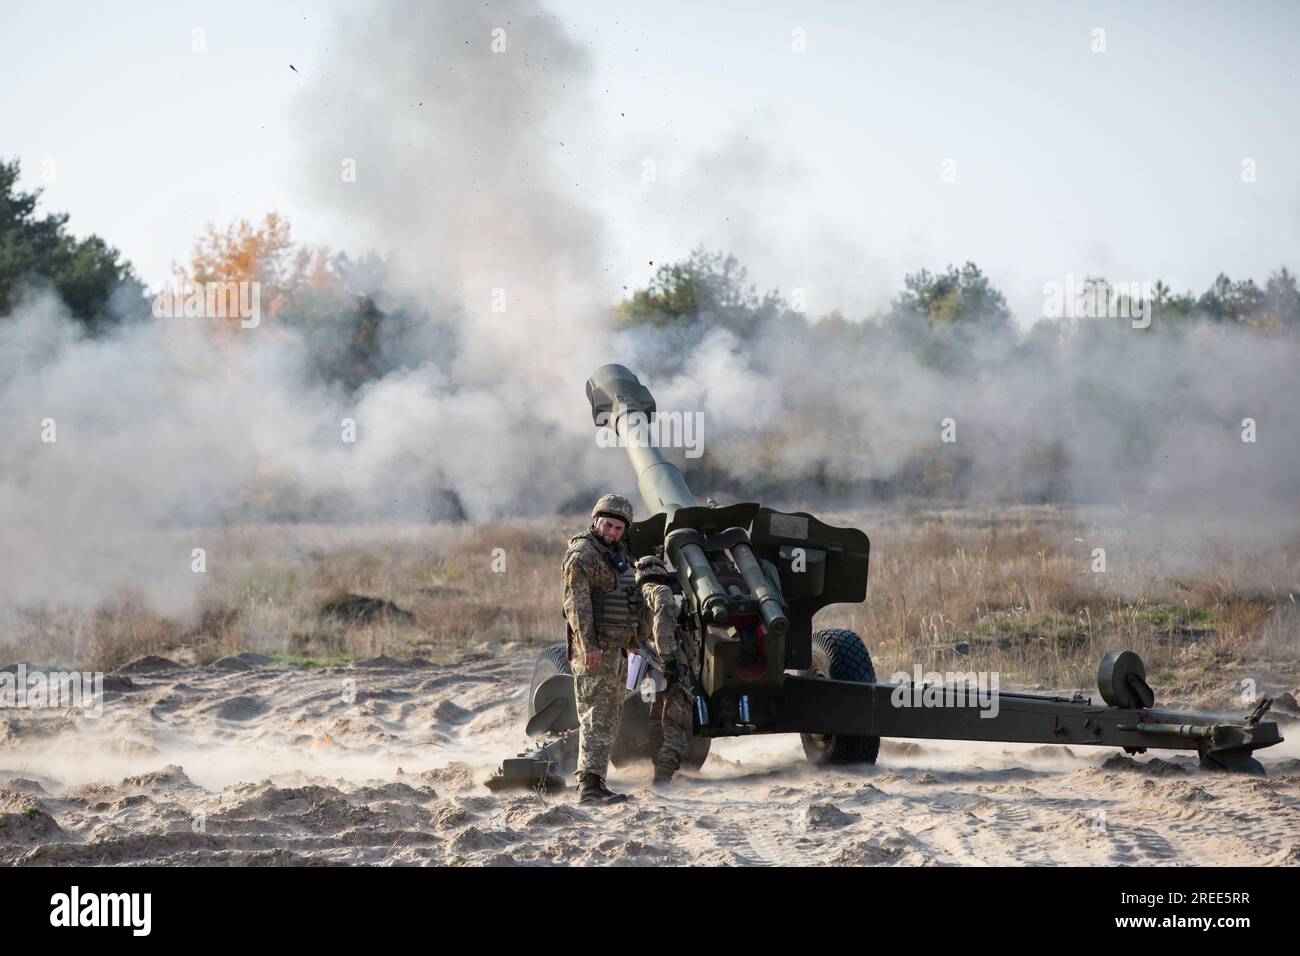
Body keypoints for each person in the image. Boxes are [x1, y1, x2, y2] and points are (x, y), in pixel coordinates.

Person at [561, 493, 641, 805]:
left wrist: (632, 641)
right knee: (595, 718)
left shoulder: (616, 554)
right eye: (607, 525)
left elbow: (625, 600)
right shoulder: (584, 553)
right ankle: (588, 789)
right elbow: (577, 606)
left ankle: (596, 782)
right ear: (596, 521)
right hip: (595, 651)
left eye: (618, 528)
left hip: (615, 650)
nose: (612, 532)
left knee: (607, 719)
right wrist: (589, 648)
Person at [635, 554, 694, 788]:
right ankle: (662, 779)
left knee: (657, 720)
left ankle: (658, 771)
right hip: (670, 664)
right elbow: (663, 619)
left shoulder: (635, 596)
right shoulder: (661, 592)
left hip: (650, 667)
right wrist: (669, 657)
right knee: (677, 724)